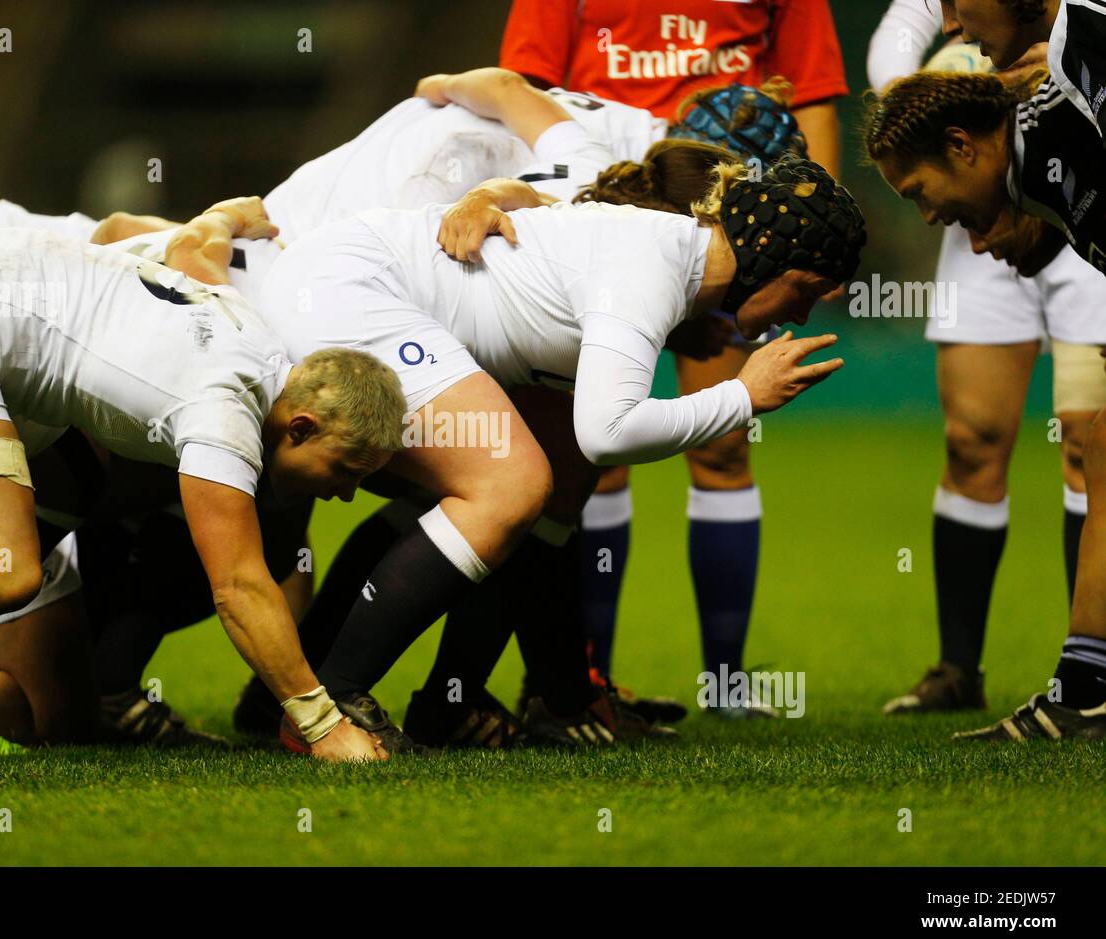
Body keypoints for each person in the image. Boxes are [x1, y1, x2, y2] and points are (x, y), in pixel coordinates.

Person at [233, 155, 864, 752]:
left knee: (551, 494)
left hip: (345, 281)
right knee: (511, 484)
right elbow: (609, 432)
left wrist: (565, 693)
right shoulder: (653, 272)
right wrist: (742, 397)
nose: (801, 316)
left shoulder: (662, 256)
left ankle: (445, 706)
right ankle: (328, 704)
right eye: (806, 293)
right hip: (348, 291)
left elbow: (562, 500)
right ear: (777, 265)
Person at [0, 197, 405, 770]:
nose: (346, 493)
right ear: (300, 425)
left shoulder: (250, 332)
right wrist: (323, 724)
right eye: (345, 471)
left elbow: (197, 246)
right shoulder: (222, 411)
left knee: (73, 479)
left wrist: (226, 216)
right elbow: (240, 587)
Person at [499, 0, 849, 715]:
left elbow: (811, 96)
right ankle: (586, 682)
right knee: (595, 458)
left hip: (744, 215)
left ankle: (726, 682)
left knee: (722, 446)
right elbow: (520, 85)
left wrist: (819, 229)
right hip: (617, 200)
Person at [866, 24, 1106, 740]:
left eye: (920, 192)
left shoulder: (1071, 156)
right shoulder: (1052, 166)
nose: (959, 22)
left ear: (965, 145)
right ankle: (1084, 686)